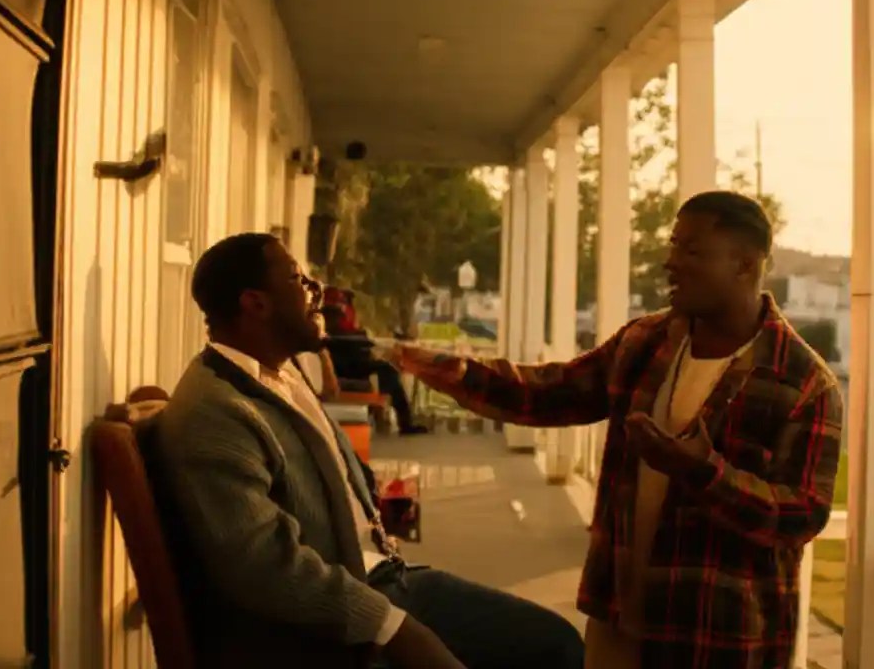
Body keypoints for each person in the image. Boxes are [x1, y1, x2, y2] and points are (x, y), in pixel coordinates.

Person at [388, 191, 844, 669]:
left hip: (716, 635)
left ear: (745, 266)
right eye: (673, 246)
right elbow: (550, 392)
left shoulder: (803, 383)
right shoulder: (646, 341)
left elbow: (802, 514)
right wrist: (454, 372)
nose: (670, 263)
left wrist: (704, 473)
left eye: (691, 250)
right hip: (619, 619)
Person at [151, 232, 584, 669]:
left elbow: (322, 476)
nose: (318, 291)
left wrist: (372, 504)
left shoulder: (280, 374)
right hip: (335, 623)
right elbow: (263, 566)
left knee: (555, 642)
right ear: (255, 303)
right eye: (300, 280)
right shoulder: (216, 411)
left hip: (381, 575)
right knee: (552, 651)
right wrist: (395, 628)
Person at [322, 287, 427, 435]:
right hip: (343, 364)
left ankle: (393, 417)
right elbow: (342, 339)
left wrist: (363, 339)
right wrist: (361, 339)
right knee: (387, 371)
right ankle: (399, 420)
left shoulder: (340, 317)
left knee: (386, 370)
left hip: (351, 360)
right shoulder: (328, 318)